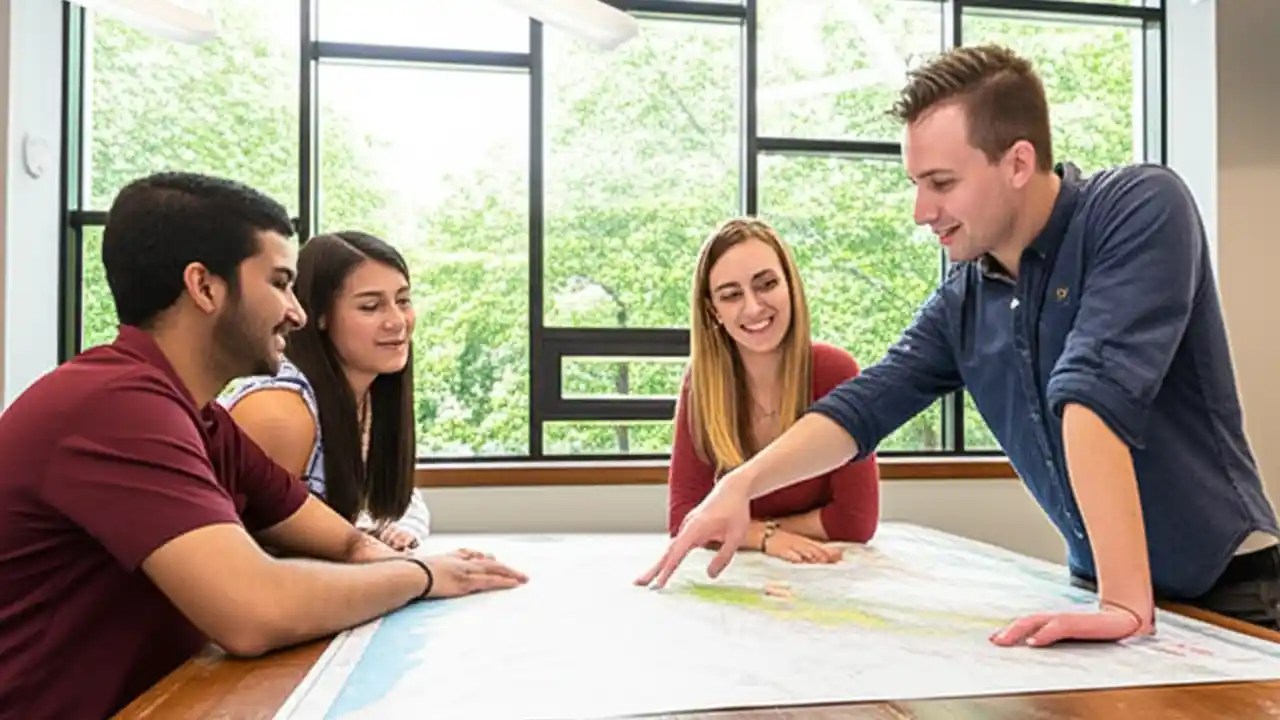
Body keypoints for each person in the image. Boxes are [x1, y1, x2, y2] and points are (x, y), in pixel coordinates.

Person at [638, 44, 1280, 643]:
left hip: (1230, 594)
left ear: (1018, 163)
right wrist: (738, 487)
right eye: (916, 183)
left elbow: (1090, 395)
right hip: (1101, 598)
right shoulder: (965, 299)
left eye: (941, 183)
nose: (921, 210)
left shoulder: (1138, 207)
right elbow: (863, 407)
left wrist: (1124, 603)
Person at [0, 172, 527, 719]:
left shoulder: (200, 418)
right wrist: (422, 576)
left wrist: (425, 566)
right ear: (205, 287)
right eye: (279, 284)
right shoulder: (113, 406)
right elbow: (253, 612)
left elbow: (348, 544)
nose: (297, 313)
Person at [669, 217, 879, 564]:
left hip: (823, 572)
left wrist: (735, 527)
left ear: (790, 286)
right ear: (713, 311)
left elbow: (855, 521)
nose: (753, 307)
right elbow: (684, 520)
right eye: (731, 295)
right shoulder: (701, 384)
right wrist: (766, 537)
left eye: (766, 284)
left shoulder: (835, 371)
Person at [223, 231, 430, 552]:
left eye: (403, 301)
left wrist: (394, 538)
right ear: (318, 315)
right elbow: (234, 557)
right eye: (371, 306)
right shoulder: (279, 413)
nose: (397, 321)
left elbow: (403, 503)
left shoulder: (370, 400)